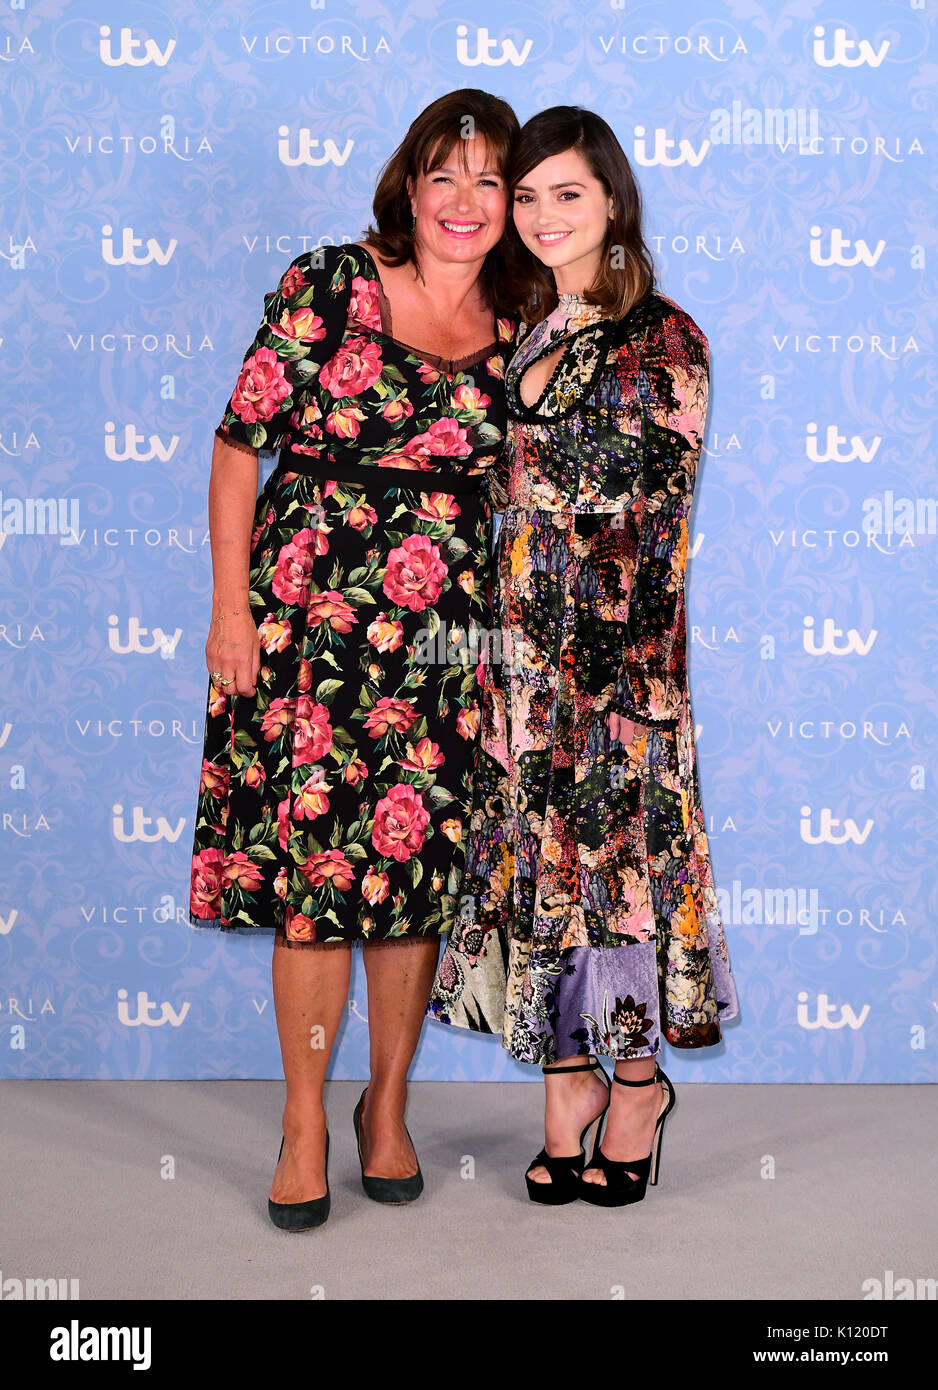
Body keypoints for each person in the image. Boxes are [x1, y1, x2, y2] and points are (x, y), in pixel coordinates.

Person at [188, 88, 522, 1229]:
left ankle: (385, 1107)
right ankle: (299, 1119)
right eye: (445, 176)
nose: (465, 202)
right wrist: (229, 610)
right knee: (318, 884)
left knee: (409, 879)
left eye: (489, 180)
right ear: (410, 186)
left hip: (444, 633)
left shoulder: (527, 318)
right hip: (305, 625)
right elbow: (239, 446)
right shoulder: (329, 282)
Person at [427, 106, 740, 1208]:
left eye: (566, 194)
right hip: (512, 671)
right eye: (526, 196)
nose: (541, 215)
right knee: (536, 880)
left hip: (615, 679)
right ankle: (565, 1079)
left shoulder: (666, 339)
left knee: (619, 887)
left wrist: (611, 682)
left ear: (611, 203)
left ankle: (639, 1086)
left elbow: (656, 520)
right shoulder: (527, 328)